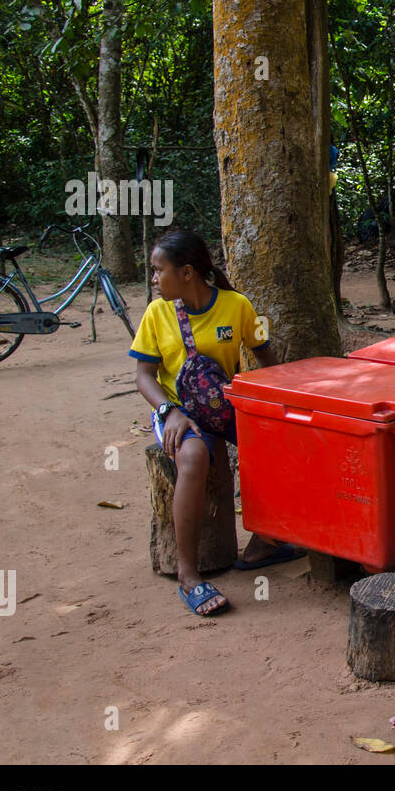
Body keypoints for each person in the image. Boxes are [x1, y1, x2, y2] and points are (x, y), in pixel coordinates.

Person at [129, 229, 302, 616]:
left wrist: (278, 411)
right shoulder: (156, 313)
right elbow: (143, 376)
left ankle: (264, 543)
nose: (153, 280)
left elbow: (266, 360)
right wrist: (167, 411)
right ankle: (189, 576)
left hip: (226, 406)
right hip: (178, 411)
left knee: (284, 444)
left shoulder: (237, 306)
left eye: (159, 271)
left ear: (187, 272)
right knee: (192, 458)